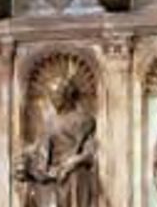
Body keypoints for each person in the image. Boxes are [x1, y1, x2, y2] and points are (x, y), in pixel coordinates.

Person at [15, 77, 97, 207]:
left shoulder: (84, 120)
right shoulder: (50, 122)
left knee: (75, 177)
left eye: (57, 94)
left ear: (67, 95)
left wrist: (73, 162)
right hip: (54, 170)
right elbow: (41, 147)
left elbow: (90, 150)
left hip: (72, 171)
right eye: (51, 95)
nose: (53, 99)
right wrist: (27, 155)